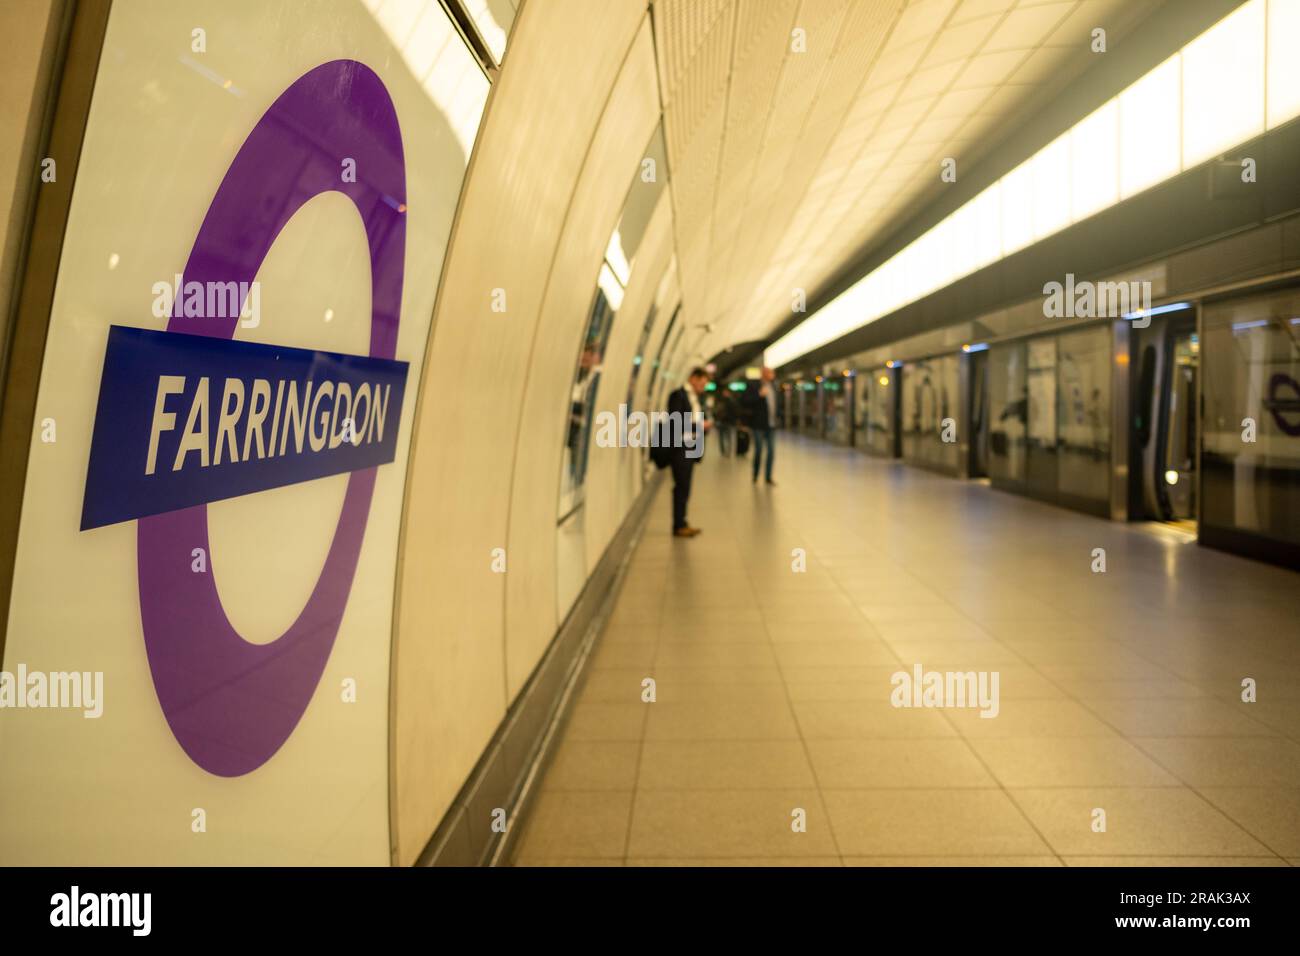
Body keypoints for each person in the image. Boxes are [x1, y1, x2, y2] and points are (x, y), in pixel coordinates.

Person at [665, 367, 711, 537]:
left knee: (686, 485)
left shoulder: (695, 398)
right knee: (681, 485)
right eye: (702, 383)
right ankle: (678, 525)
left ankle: (682, 522)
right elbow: (675, 422)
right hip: (680, 447)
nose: (703, 387)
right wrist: (699, 426)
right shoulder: (678, 396)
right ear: (693, 378)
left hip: (691, 445)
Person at [742, 366, 778, 485]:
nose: (772, 375)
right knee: (758, 451)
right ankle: (755, 475)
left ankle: (768, 477)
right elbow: (744, 401)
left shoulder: (773, 386)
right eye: (770, 372)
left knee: (771, 451)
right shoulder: (753, 385)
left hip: (771, 424)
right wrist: (759, 395)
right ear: (764, 374)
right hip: (758, 424)